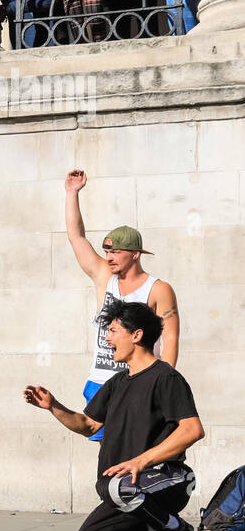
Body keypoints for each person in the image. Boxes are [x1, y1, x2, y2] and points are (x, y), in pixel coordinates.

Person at [25, 300, 202, 531]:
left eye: (113, 331)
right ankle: (159, 525)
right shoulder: (118, 381)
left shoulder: (165, 377)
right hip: (124, 489)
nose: (107, 339)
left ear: (136, 335)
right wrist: (53, 406)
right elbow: (88, 425)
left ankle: (175, 529)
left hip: (168, 480)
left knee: (115, 487)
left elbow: (192, 430)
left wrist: (140, 461)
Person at [65, 169, 179, 444]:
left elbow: (171, 337)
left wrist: (162, 383)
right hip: (101, 379)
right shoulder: (105, 277)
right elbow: (77, 238)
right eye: (106, 252)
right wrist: (71, 193)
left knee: (134, 447)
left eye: (115, 252)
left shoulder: (157, 288)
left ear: (135, 254)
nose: (109, 257)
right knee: (107, 449)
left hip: (137, 378)